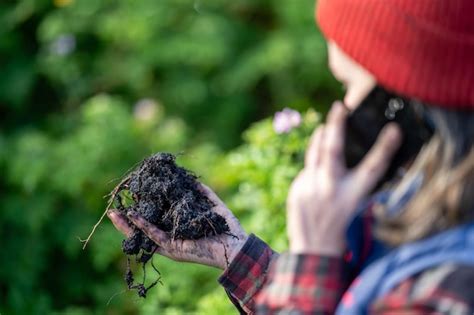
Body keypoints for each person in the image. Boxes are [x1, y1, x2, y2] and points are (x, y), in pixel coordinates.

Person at [108, 0, 474, 313]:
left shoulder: (449, 288)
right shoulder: (421, 209)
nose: (342, 109)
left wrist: (314, 255)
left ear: (403, 107)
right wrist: (234, 253)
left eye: (348, 86)